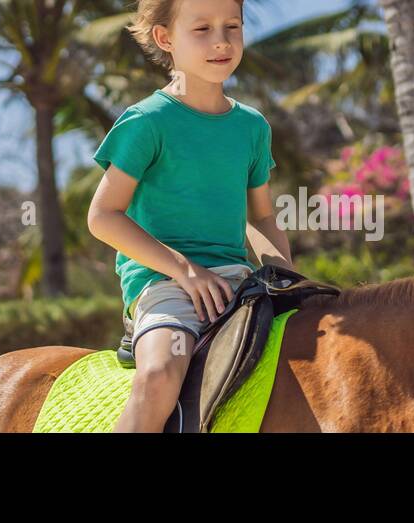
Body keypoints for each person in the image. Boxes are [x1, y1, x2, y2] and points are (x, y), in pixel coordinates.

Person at [86, 0, 293, 432]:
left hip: (241, 284)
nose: (222, 41)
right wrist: (186, 271)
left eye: (232, 26)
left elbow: (261, 219)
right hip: (166, 285)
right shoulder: (147, 121)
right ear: (165, 39)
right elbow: (103, 216)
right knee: (160, 375)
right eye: (202, 29)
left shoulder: (252, 127)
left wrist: (285, 276)